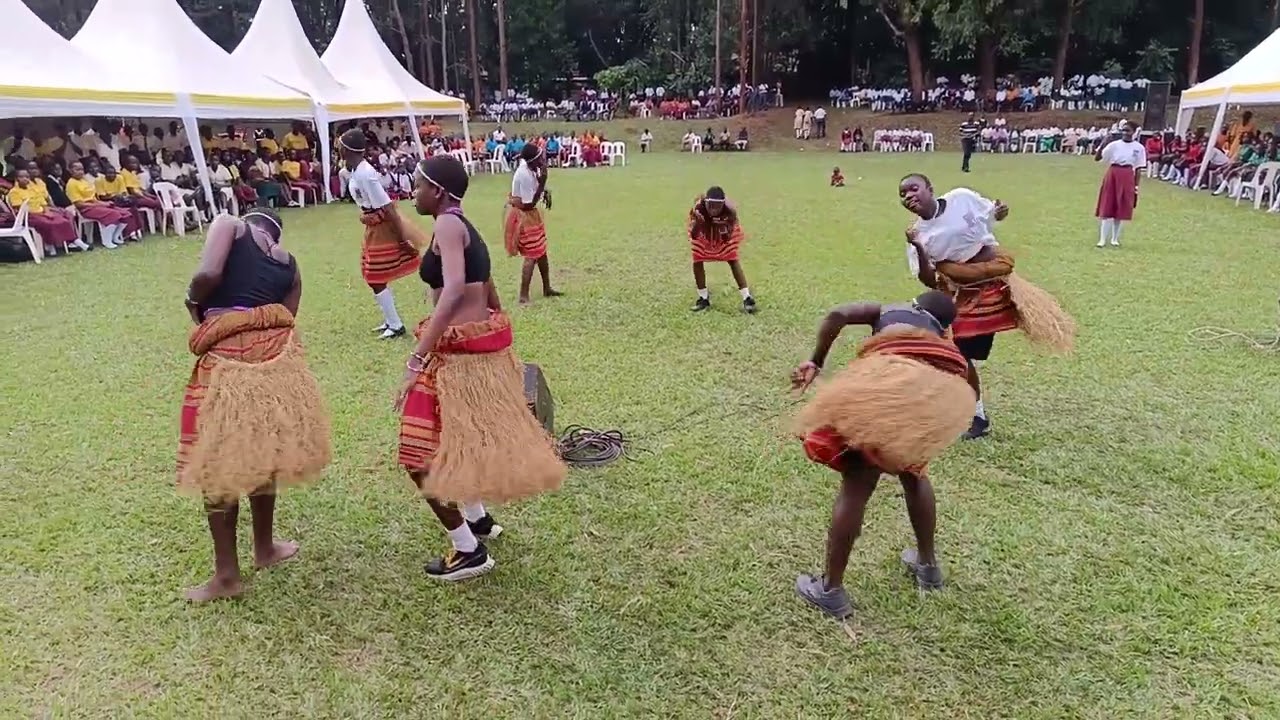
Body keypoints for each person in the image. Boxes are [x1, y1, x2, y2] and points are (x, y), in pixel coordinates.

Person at [396, 155, 566, 581]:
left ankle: (467, 549)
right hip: (473, 358)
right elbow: (489, 293)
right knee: (460, 441)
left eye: (418, 185)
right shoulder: (465, 226)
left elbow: (453, 290)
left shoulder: (448, 226)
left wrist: (419, 355)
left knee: (418, 456)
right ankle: (478, 519)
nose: (413, 193)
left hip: (457, 360)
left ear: (437, 191)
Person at [790, 291, 977, 618]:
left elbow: (838, 311)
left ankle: (830, 589)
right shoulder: (943, 344)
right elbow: (969, 386)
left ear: (916, 306)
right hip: (922, 403)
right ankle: (927, 566)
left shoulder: (894, 310)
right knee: (915, 474)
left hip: (884, 396)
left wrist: (816, 361)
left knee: (857, 485)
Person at [178, 210, 332, 602]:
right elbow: (289, 317)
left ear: (250, 224)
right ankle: (265, 548)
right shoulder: (289, 264)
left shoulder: (228, 224)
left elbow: (208, 275)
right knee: (263, 455)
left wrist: (193, 302)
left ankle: (227, 575)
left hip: (227, 367)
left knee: (217, 466)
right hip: (275, 368)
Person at [899, 173, 1074, 439]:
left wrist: (1001, 211)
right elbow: (928, 279)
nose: (909, 196)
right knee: (955, 353)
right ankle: (975, 414)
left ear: (930, 189)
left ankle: (973, 414)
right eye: (903, 194)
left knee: (958, 354)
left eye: (914, 189)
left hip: (993, 285)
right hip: (963, 294)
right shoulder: (919, 234)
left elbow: (992, 215)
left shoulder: (961, 198)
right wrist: (919, 248)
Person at [338, 128, 423, 340]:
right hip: (373, 224)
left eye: (340, 145)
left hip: (382, 226)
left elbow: (388, 207)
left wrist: (403, 238)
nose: (337, 148)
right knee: (372, 275)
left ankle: (395, 324)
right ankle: (391, 321)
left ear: (347, 149)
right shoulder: (357, 170)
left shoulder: (365, 174)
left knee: (375, 276)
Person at [505, 143, 562, 304]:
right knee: (531, 254)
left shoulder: (529, 167)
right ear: (532, 160)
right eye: (540, 158)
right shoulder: (524, 174)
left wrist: (544, 190)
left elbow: (534, 193)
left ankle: (547, 288)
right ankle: (523, 296)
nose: (543, 161)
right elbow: (528, 204)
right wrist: (543, 182)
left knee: (541, 250)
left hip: (530, 214)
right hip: (524, 214)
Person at [687, 186, 756, 313]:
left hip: (722, 231)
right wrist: (701, 223)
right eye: (710, 205)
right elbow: (695, 233)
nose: (713, 209)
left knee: (732, 259)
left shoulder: (729, 211)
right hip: (704, 231)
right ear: (705, 202)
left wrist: (723, 231)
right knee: (697, 258)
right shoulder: (699, 209)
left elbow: (729, 232)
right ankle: (703, 298)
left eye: (717, 205)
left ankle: (747, 297)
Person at [5, 168, 83, 255]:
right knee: (46, 223)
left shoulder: (32, 189)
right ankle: (49, 245)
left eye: (27, 177)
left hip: (41, 212)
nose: (25, 179)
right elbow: (19, 208)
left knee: (61, 220)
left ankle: (73, 241)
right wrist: (41, 214)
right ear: (16, 179)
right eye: (22, 177)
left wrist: (47, 212)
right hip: (29, 216)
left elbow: (43, 202)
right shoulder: (14, 192)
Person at [1093, 122, 1146, 248]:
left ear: (1134, 132)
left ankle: (1115, 238)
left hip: (1127, 174)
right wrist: (1103, 144)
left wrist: (1136, 186)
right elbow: (1097, 158)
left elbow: (1138, 168)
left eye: (1128, 131)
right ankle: (1102, 239)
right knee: (1107, 205)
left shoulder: (1139, 148)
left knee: (1121, 207)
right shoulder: (1114, 145)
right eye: (1123, 130)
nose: (1125, 133)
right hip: (1113, 173)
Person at [65, 161, 130, 250]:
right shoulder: (71, 184)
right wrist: (97, 206)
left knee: (125, 214)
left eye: (82, 169)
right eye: (77, 169)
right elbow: (79, 204)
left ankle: (115, 237)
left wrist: (104, 204)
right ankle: (107, 241)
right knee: (114, 214)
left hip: (95, 204)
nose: (80, 172)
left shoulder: (84, 180)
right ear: (70, 170)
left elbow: (93, 199)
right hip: (86, 209)